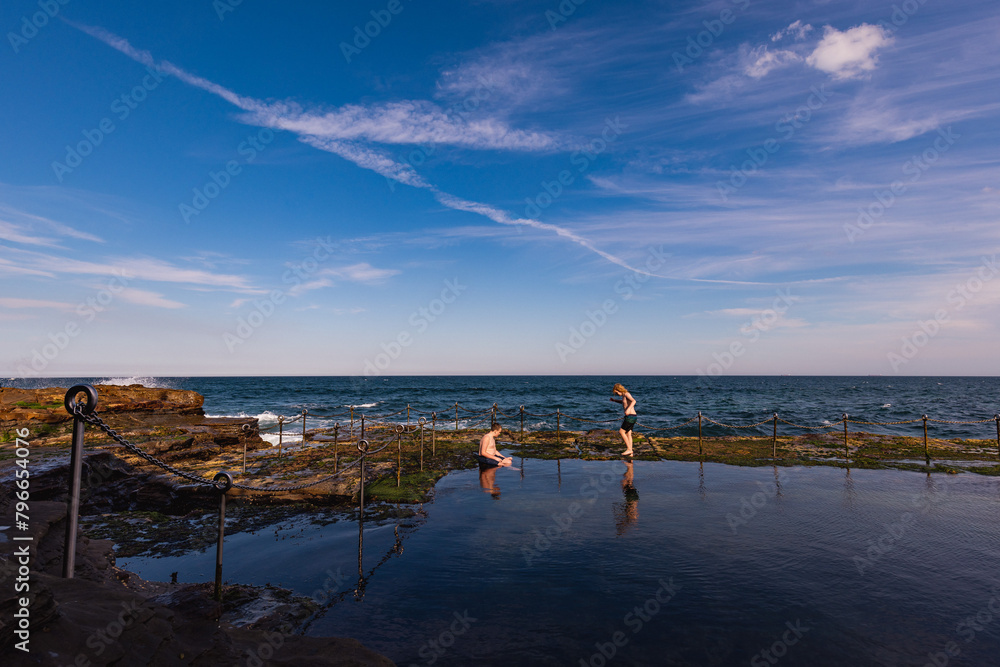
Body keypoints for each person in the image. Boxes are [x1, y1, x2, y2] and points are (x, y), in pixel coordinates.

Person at [610, 383, 637, 456]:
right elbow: (623, 402)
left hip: (630, 416)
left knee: (621, 431)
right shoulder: (623, 396)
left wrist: (628, 409)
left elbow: (634, 401)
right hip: (632, 416)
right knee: (628, 433)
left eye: (616, 392)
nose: (617, 394)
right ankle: (631, 452)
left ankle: (629, 449)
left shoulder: (626, 394)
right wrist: (614, 400)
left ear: (619, 390)